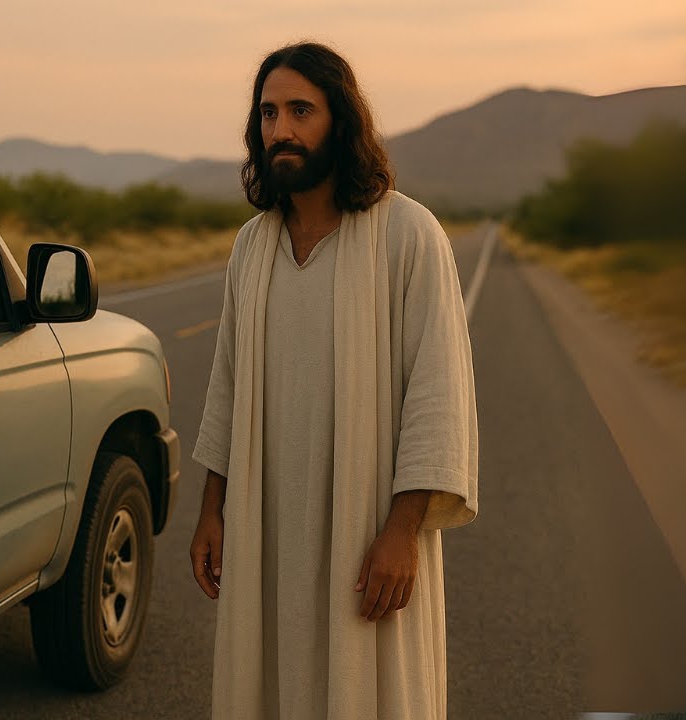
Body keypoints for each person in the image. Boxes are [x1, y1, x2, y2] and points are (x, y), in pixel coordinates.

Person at [188, 42, 478, 719]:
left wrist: (402, 532)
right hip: (267, 523)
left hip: (366, 523)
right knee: (268, 678)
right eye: (267, 114)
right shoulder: (252, 246)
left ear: (340, 121)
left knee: (366, 685)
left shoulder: (407, 234)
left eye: (300, 111)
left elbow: (437, 394)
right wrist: (213, 510)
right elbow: (228, 383)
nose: (281, 130)